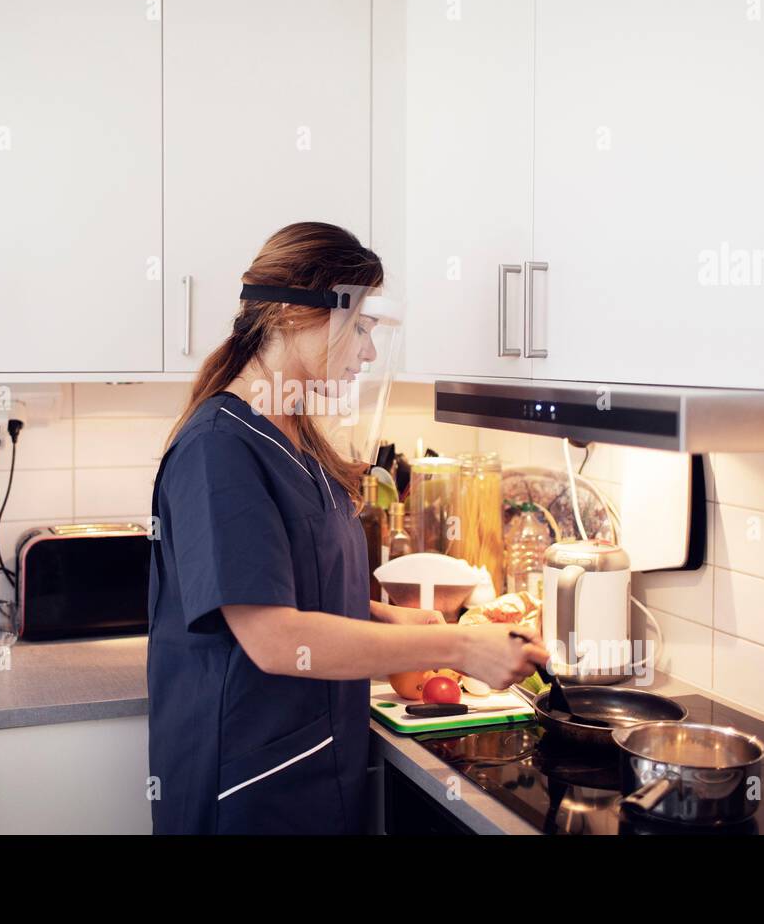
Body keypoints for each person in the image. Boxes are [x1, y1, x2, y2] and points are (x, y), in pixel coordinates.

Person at [146, 221, 548, 834]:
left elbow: (284, 581)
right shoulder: (219, 450)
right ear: (287, 315)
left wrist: (380, 616)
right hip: (246, 792)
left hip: (313, 773)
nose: (368, 350)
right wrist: (460, 646)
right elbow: (273, 637)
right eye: (358, 326)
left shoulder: (295, 437)